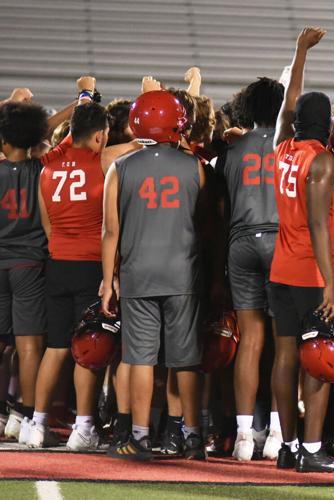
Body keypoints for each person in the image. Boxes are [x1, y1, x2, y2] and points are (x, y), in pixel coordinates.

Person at [102, 90, 206, 461]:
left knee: (141, 358)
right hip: (183, 271)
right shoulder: (194, 165)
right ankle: (193, 437)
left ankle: (140, 437)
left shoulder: (121, 167)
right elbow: (205, 224)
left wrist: (106, 281)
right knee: (185, 360)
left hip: (138, 271)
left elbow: (110, 232)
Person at [29, 102, 139, 449]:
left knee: (56, 347)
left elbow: (47, 224)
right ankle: (83, 427)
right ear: (98, 135)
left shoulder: (45, 169)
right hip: (90, 264)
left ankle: (36, 422)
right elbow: (141, 145)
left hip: (57, 261)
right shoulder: (102, 161)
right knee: (87, 349)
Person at [268, 26, 334, 473]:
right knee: (320, 360)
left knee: (284, 357)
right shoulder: (322, 161)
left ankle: (287, 445)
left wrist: (300, 50)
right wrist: (331, 288)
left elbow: (287, 106)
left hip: (281, 269)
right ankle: (313, 450)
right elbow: (320, 224)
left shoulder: (284, 147)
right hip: (315, 274)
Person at [216, 76, 285, 462]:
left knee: (251, 340)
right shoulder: (288, 146)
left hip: (240, 241)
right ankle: (276, 431)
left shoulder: (232, 148)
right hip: (280, 240)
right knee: (282, 342)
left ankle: (244, 436)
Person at [0, 101, 49, 443]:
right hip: (30, 263)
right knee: (29, 345)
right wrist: (84, 99)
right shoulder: (42, 169)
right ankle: (26, 415)